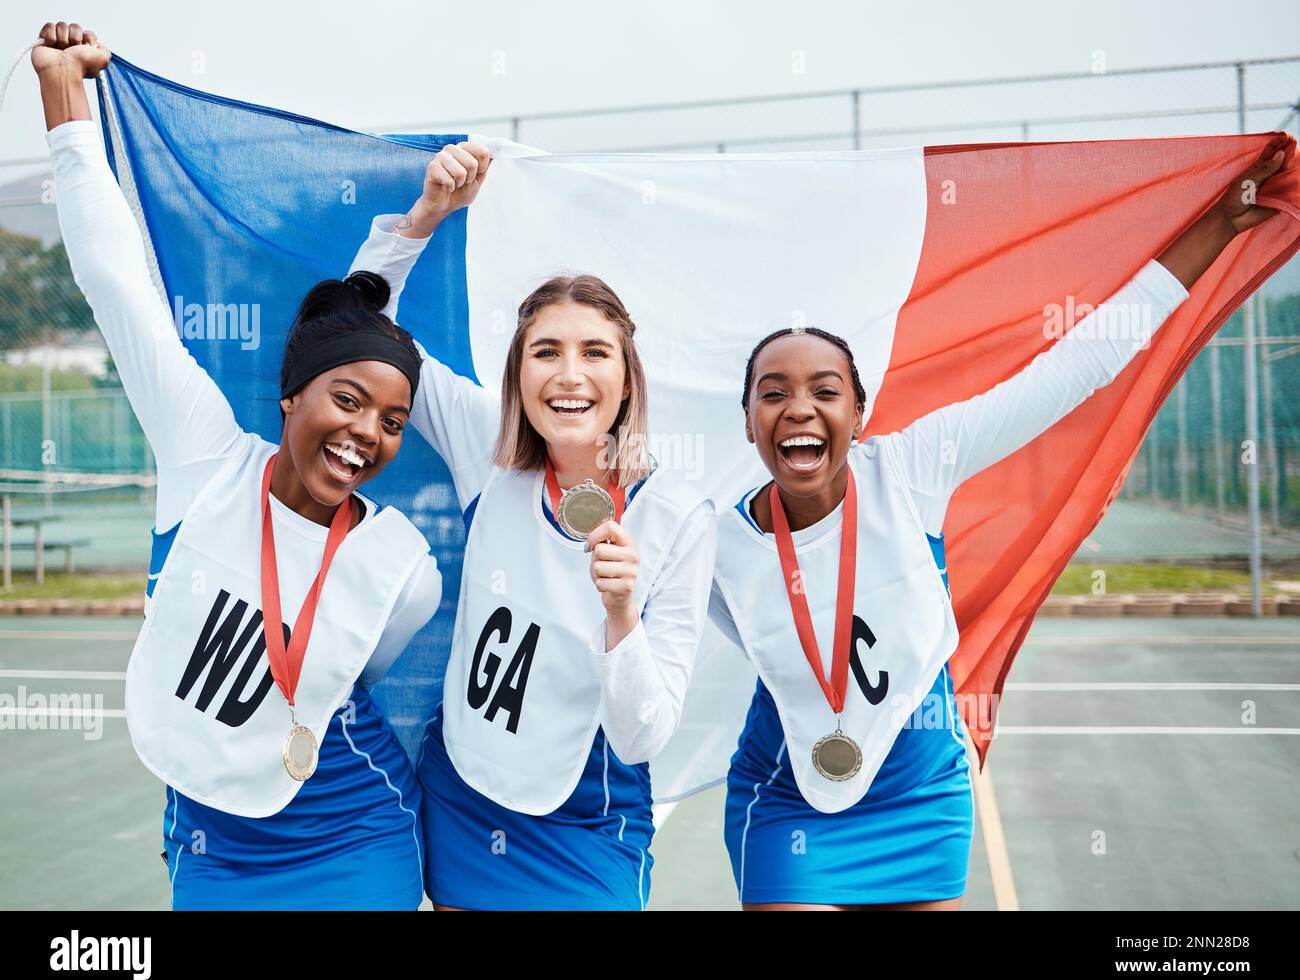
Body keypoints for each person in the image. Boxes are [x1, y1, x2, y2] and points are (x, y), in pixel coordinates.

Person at [709, 135, 1289, 910]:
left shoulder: (914, 469)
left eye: (824, 389)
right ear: (748, 422)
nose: (799, 408)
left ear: (860, 412)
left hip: (923, 795)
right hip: (790, 799)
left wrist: (1214, 227)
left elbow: (1076, 364)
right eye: (772, 392)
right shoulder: (714, 543)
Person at [34, 21, 444, 910]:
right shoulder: (205, 457)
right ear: (290, 396)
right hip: (216, 844)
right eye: (347, 400)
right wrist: (67, 109)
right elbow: (119, 288)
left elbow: (348, 684)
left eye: (392, 420)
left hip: (354, 827)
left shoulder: (403, 566)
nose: (366, 432)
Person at [345, 149, 719, 909]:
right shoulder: (487, 447)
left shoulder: (676, 514)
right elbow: (357, 331)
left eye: (594, 353)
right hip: (467, 796)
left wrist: (621, 617)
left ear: (626, 377)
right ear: (519, 371)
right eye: (545, 352)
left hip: (589, 821)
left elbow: (645, 735)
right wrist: (422, 222)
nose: (569, 374)